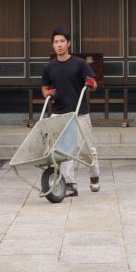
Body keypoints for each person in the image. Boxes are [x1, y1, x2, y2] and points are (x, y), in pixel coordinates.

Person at [41, 28, 100, 196]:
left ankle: (94, 176)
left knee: (86, 149)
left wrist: (90, 84)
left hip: (80, 112)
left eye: (62, 41)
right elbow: (44, 88)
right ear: (52, 45)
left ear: (68, 43)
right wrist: (49, 95)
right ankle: (70, 185)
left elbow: (94, 85)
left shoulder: (80, 64)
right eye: (56, 42)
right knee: (62, 150)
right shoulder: (49, 67)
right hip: (59, 113)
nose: (59, 45)